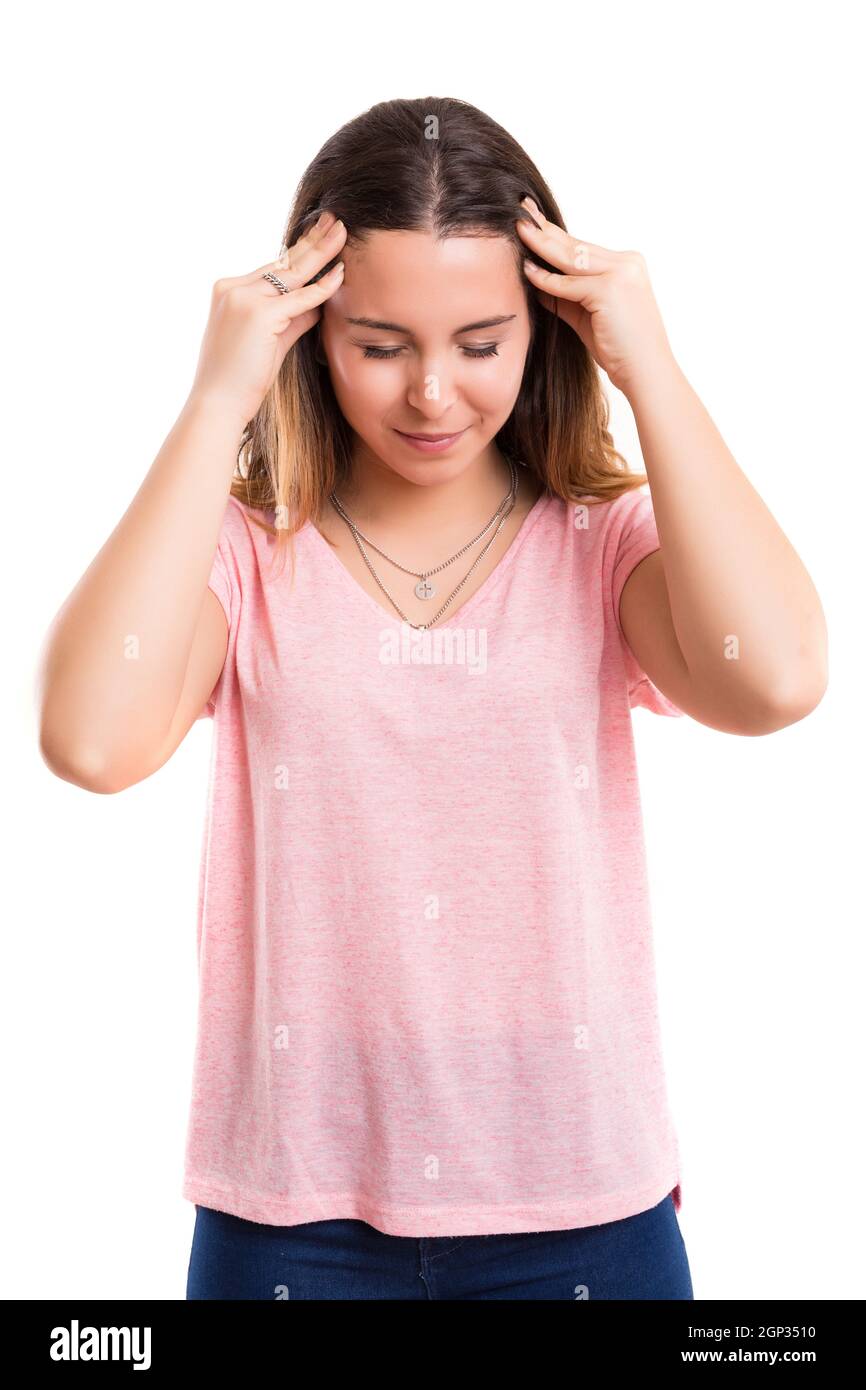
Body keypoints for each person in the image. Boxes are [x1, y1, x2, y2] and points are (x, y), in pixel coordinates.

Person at [36, 97, 828, 1301]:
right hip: (292, 1214)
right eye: (378, 342)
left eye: (479, 340)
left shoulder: (599, 547)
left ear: (542, 329)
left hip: (584, 1207)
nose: (431, 395)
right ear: (309, 335)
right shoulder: (246, 558)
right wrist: (214, 405)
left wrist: (650, 368)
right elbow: (90, 741)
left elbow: (773, 679)